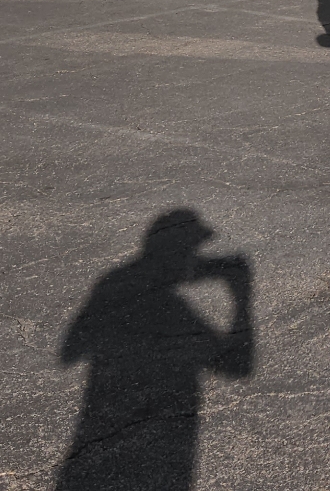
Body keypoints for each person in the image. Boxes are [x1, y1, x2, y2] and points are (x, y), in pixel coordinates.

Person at [55, 210, 254, 491]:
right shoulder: (173, 305)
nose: (196, 256)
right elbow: (239, 367)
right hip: (160, 441)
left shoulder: (114, 281)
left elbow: (69, 351)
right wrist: (242, 296)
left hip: (104, 432)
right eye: (192, 248)